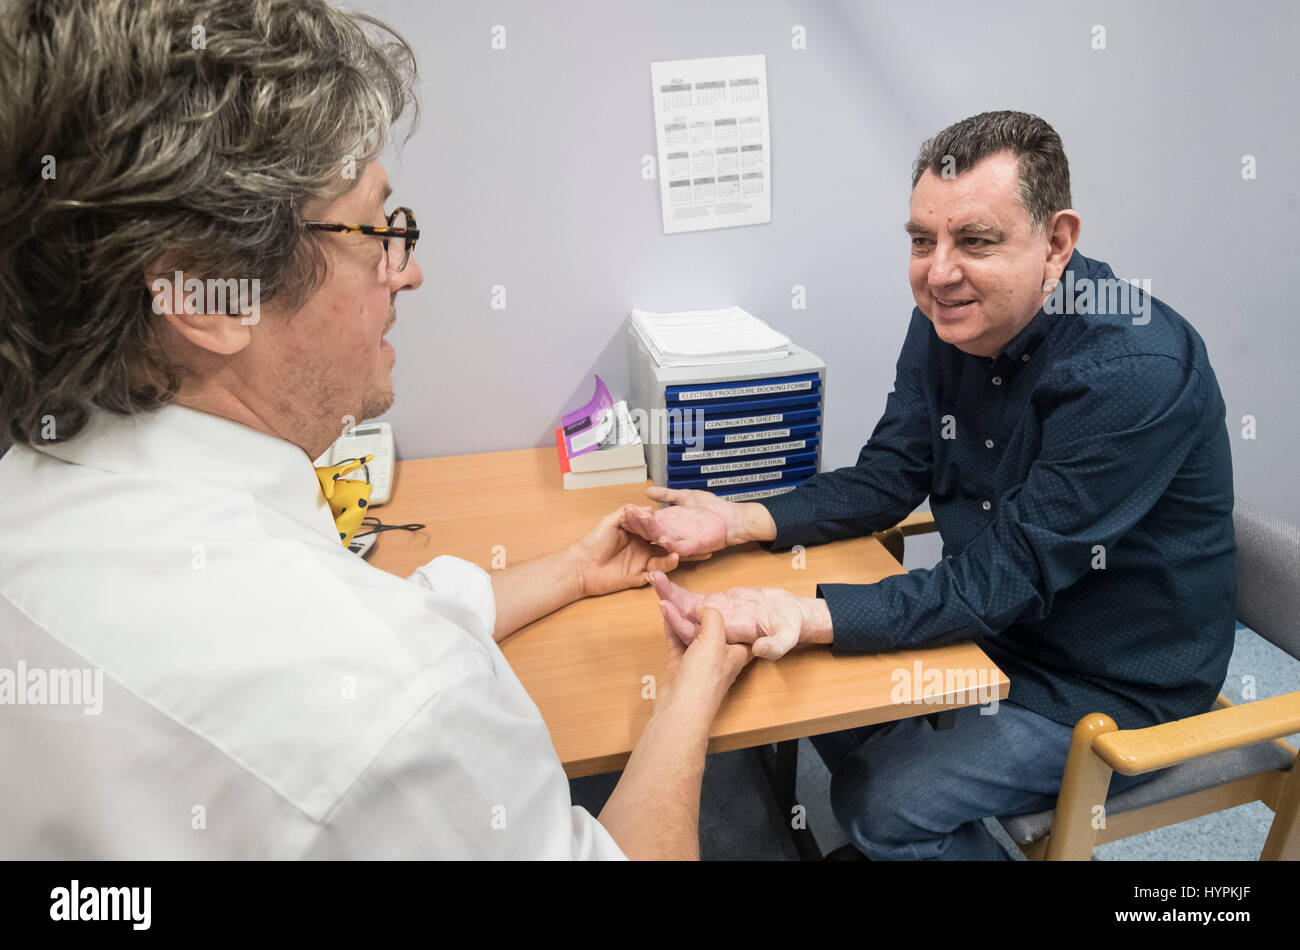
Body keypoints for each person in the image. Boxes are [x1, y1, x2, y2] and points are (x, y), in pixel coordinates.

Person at [0, 0, 751, 860]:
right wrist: (696, 685)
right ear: (205, 294)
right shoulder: (400, 711)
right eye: (372, 229)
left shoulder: (32, 504)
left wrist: (571, 573)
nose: (410, 270)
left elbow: (367, 628)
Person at [621, 110, 1236, 860]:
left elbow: (1005, 576)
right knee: (793, 694)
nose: (936, 272)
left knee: (878, 801)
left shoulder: (1132, 371)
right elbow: (891, 475)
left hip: (1107, 680)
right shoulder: (957, 314)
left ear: (1057, 241)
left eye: (975, 241)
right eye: (921, 240)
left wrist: (805, 612)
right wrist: (739, 520)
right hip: (996, 625)